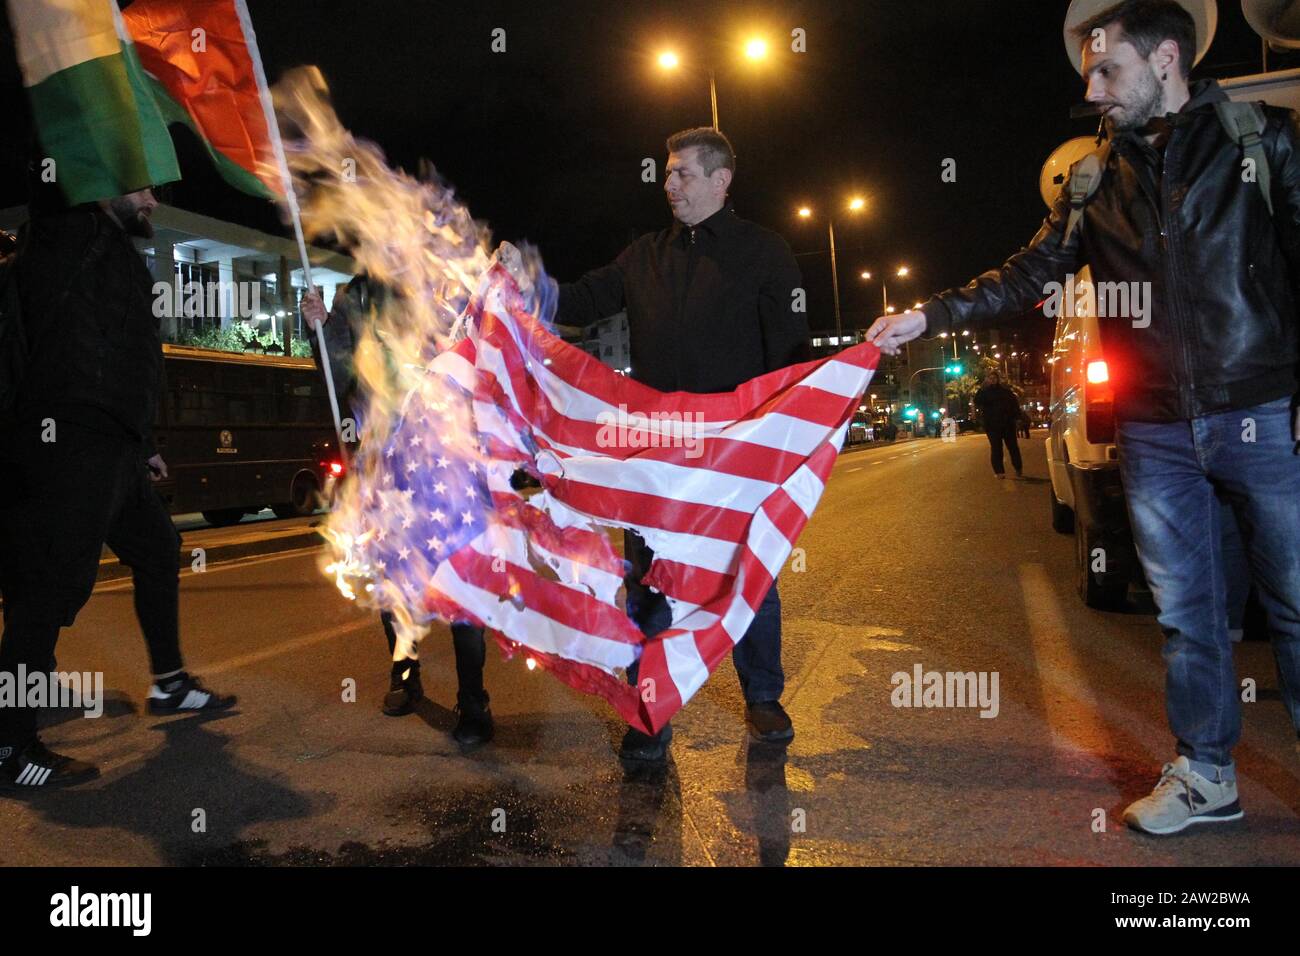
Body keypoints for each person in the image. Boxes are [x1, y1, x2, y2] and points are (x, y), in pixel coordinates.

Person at [867, 0, 1300, 835]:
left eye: (1109, 71)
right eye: (1089, 75)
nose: (1094, 90)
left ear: (1166, 58)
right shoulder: (1097, 180)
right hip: (1156, 429)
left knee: (1293, 604)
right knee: (1186, 616)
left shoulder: (1261, 140)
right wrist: (929, 315)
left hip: (1261, 411)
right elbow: (1029, 274)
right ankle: (1209, 775)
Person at [501, 127, 811, 763]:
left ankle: (763, 698)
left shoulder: (766, 253)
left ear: (721, 179)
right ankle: (648, 711)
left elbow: (791, 356)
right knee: (646, 581)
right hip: (655, 451)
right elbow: (584, 300)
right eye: (667, 174)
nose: (667, 184)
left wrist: (779, 443)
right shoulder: (643, 255)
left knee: (746, 574)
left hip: (732, 453)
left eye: (682, 174)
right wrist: (524, 283)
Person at [0, 185, 235, 792]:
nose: (154, 200)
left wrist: (146, 441)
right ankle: (8, 744)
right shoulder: (66, 230)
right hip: (68, 445)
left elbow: (125, 359)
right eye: (143, 186)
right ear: (100, 181)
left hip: (116, 449)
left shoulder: (115, 251)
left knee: (159, 550)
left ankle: (169, 683)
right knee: (42, 592)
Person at [301, 277, 494, 747]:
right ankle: (405, 679)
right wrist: (318, 330)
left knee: (462, 588)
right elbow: (338, 374)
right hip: (387, 468)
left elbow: (482, 360)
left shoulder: (445, 282)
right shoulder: (355, 296)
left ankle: (474, 702)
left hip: (449, 469)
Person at [973, 370, 1023, 478]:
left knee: (1013, 447)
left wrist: (1018, 418)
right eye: (990, 378)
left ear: (998, 379)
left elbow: (1015, 405)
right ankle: (999, 471)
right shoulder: (985, 392)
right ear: (987, 380)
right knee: (996, 448)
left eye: (994, 378)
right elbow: (977, 401)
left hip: (1008, 424)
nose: (993, 380)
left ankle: (1018, 467)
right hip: (992, 426)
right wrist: (981, 388)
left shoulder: (1006, 392)